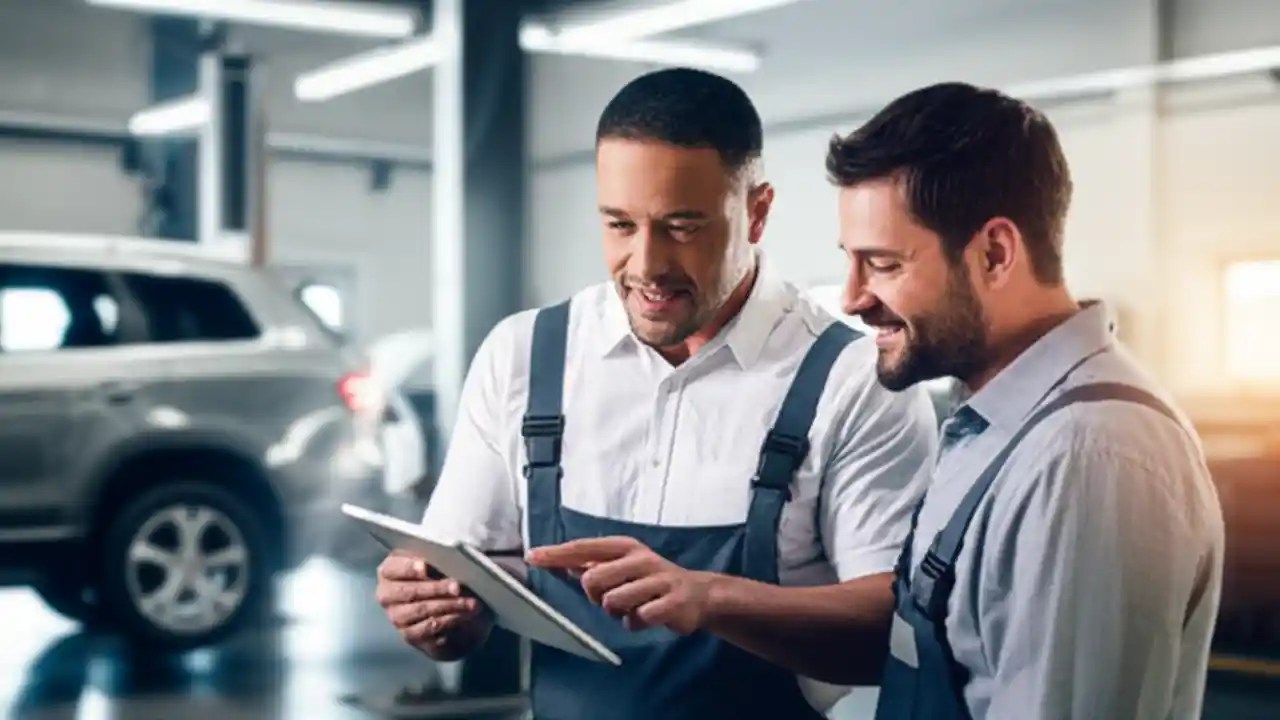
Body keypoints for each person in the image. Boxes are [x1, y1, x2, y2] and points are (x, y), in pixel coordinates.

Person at [375, 68, 939, 719]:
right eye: (619, 225)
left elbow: (895, 634)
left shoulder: (857, 381)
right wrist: (436, 612)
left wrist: (711, 600)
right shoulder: (524, 356)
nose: (645, 265)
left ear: (756, 212)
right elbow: (463, 599)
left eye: (681, 226)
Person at [824, 81, 1225, 720]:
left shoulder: (1089, 455)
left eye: (883, 264)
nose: (852, 297)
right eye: (850, 262)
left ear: (994, 253)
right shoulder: (992, 423)